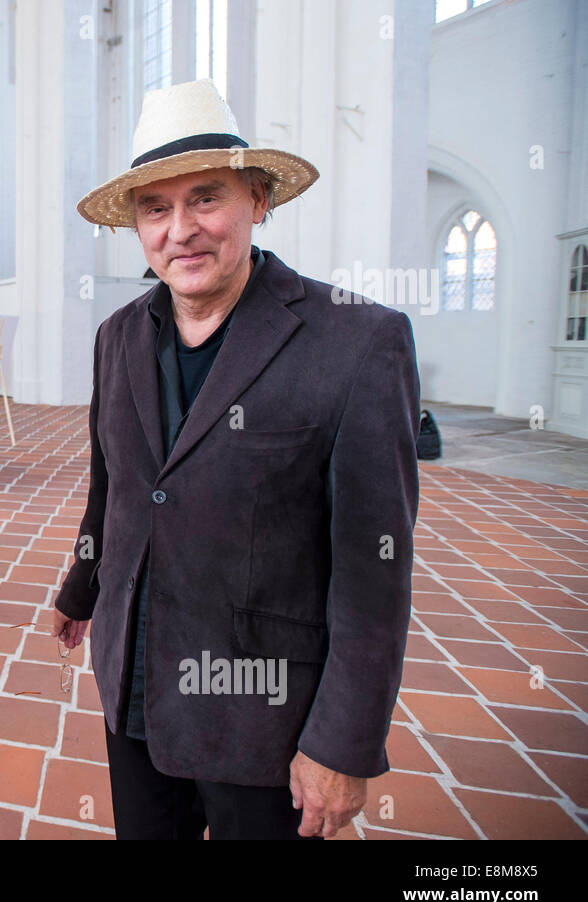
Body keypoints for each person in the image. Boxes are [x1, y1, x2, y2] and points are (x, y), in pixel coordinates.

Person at [52, 79, 421, 840]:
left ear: (259, 199)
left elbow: (373, 567)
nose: (180, 229)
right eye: (155, 207)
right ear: (136, 225)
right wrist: (82, 587)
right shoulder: (118, 335)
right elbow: (114, 481)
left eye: (205, 198)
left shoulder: (355, 342)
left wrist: (342, 742)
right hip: (135, 684)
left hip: (263, 714)